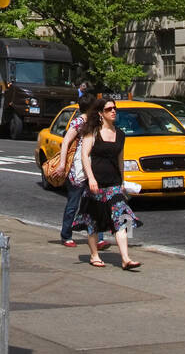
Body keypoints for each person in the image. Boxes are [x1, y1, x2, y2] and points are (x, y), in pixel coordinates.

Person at [78, 97, 141, 270]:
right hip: (96, 184)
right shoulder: (93, 132)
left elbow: (121, 158)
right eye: (109, 109)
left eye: (114, 108)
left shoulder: (120, 134)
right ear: (100, 113)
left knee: (121, 219)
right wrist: (90, 178)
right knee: (93, 221)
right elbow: (85, 156)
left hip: (113, 184)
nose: (113, 111)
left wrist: (123, 179)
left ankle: (125, 258)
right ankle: (94, 255)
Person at [57, 108, 108, 251]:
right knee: (73, 204)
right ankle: (66, 235)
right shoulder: (79, 122)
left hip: (92, 170)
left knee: (96, 204)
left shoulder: (98, 123)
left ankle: (99, 238)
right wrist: (62, 164)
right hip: (78, 170)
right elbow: (66, 141)